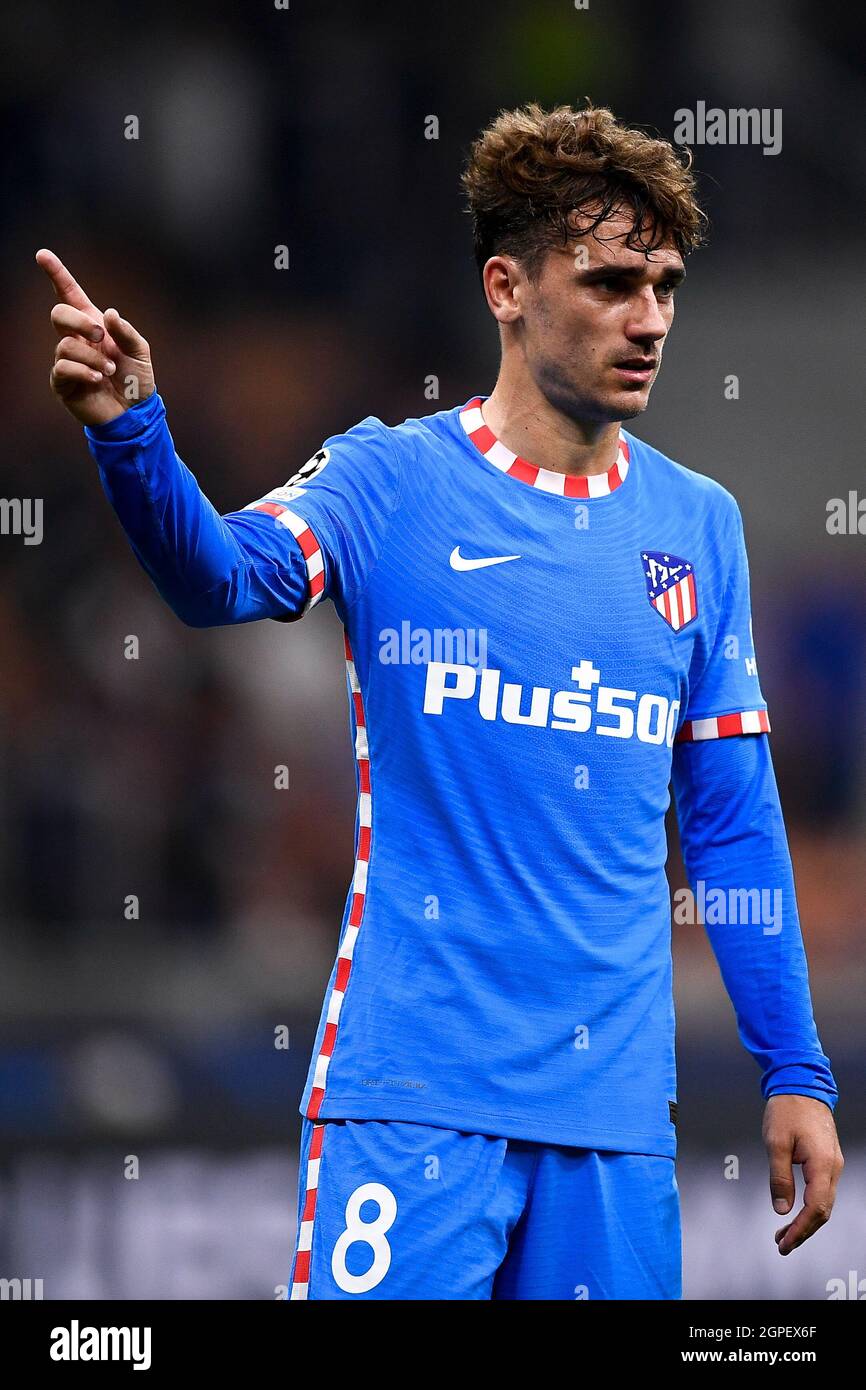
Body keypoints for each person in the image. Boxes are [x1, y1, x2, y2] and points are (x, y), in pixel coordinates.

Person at [38, 101, 842, 1301]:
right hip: (411, 1096)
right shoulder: (389, 479)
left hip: (610, 1120)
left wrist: (794, 1067)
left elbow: (729, 823)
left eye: (665, 285)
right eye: (612, 280)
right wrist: (133, 438)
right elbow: (218, 581)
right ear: (505, 288)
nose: (650, 319)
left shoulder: (698, 529)